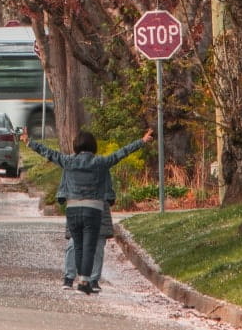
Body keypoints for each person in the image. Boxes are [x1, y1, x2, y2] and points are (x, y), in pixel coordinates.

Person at [28, 126, 154, 295]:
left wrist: (29, 142)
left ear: (76, 146)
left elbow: (48, 152)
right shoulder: (100, 162)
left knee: (78, 246)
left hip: (73, 208)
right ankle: (84, 281)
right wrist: (142, 141)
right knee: (89, 246)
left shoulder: (68, 161)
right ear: (93, 146)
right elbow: (121, 153)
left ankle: (78, 278)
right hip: (92, 209)